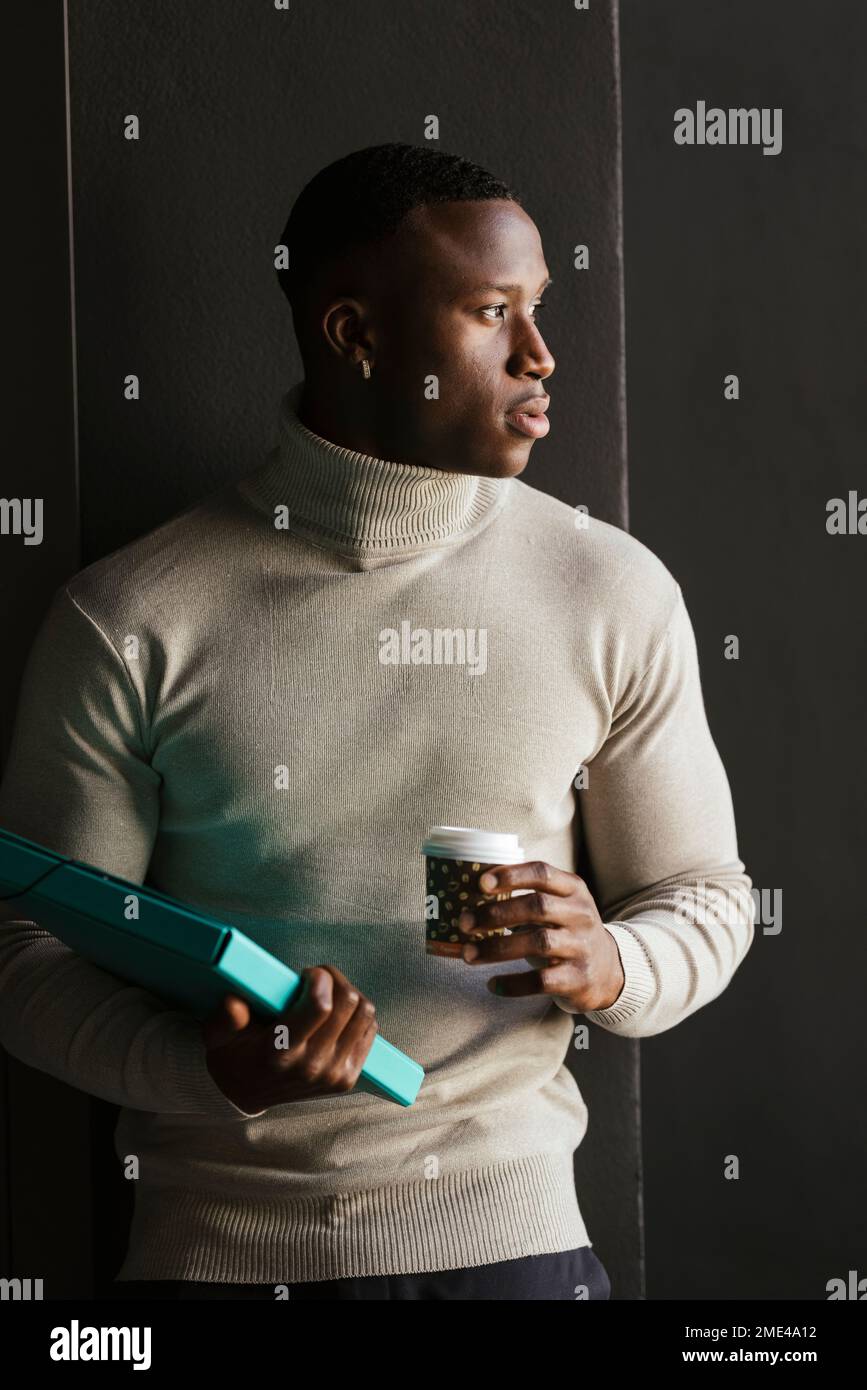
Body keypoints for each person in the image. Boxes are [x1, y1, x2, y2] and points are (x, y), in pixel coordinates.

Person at [0, 143, 754, 1301]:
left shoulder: (610, 590)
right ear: (355, 335)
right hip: (215, 1264)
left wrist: (615, 962)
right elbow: (28, 956)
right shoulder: (130, 618)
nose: (542, 356)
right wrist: (212, 1067)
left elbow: (706, 893)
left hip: (517, 1252)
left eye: (538, 309)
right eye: (493, 313)